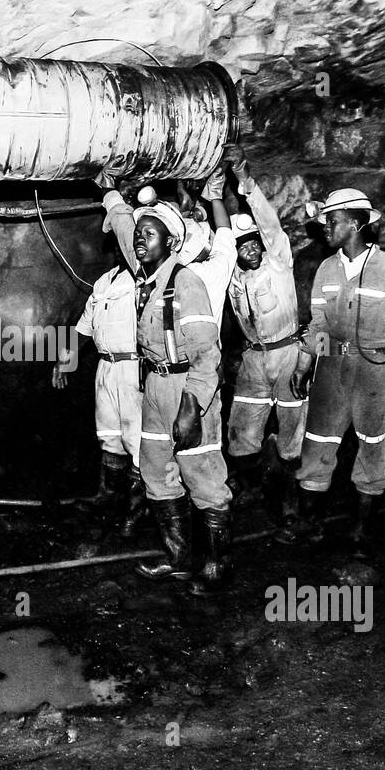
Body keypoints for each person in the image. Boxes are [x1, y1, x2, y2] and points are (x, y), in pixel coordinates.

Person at [276, 188, 385, 558]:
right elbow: (319, 323)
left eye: (332, 220)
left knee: (373, 447)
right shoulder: (327, 268)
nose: (326, 227)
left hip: (375, 368)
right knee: (318, 443)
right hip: (332, 365)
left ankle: (360, 532)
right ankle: (311, 523)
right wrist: (306, 362)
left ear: (355, 223)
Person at [126, 195, 233, 597]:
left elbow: (208, 354)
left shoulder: (185, 281)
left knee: (202, 478)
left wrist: (191, 408)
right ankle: (178, 557)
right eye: (138, 233)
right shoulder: (146, 284)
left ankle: (217, 565)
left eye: (149, 234)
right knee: (156, 472)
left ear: (170, 243)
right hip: (155, 385)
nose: (140, 239)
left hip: (187, 386)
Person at [221, 154, 307, 518]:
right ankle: (252, 488)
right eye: (243, 246)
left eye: (254, 242)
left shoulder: (278, 261)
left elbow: (270, 226)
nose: (251, 249)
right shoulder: (232, 278)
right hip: (254, 359)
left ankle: (291, 497)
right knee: (241, 433)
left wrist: (245, 179)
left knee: (293, 429)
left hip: (288, 353)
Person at [53, 189, 142, 536]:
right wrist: (65, 359)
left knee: (137, 440)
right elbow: (83, 327)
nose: (122, 246)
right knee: (110, 437)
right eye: (118, 242)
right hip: (105, 368)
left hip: (134, 369)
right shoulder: (105, 282)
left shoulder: (145, 278)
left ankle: (137, 509)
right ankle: (109, 496)